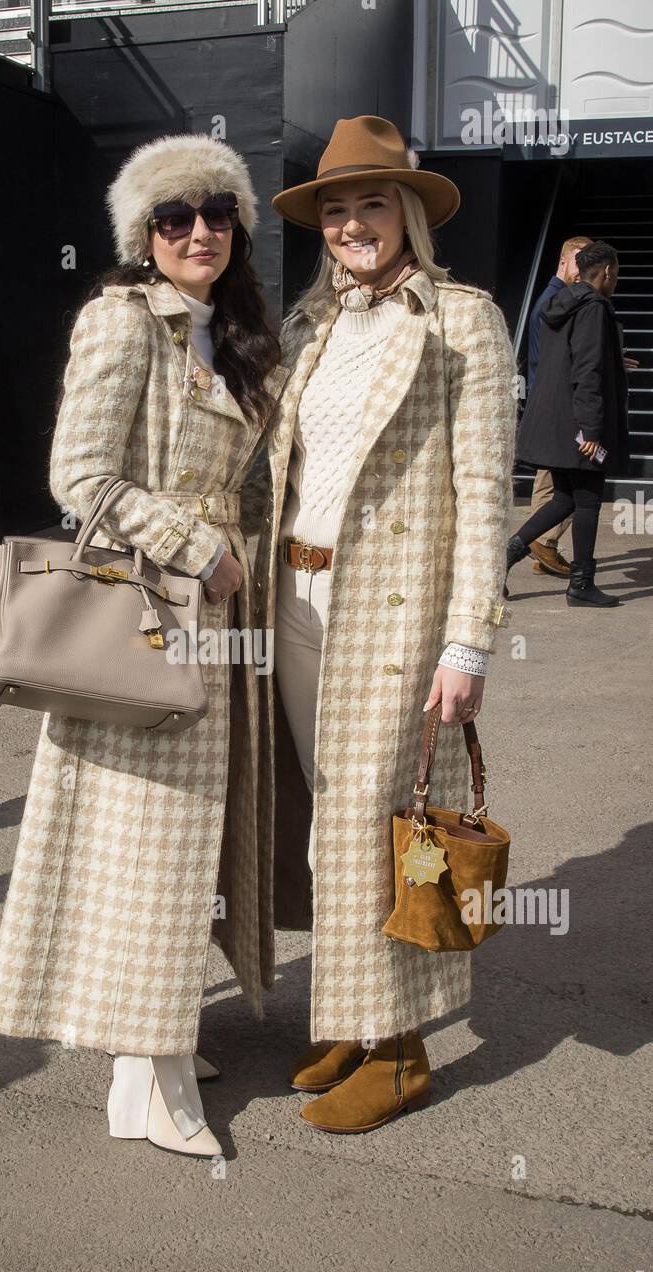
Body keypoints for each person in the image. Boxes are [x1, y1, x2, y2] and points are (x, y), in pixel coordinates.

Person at [0, 135, 288, 1159]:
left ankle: (150, 1044)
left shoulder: (231, 334)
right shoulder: (122, 321)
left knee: (179, 846)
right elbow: (79, 476)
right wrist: (199, 546)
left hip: (219, 624)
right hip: (151, 621)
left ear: (238, 228)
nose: (197, 231)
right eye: (172, 217)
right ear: (141, 236)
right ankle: (151, 1079)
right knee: (150, 849)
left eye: (215, 212)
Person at [251, 115, 516, 1133]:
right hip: (295, 604)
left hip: (392, 619)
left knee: (378, 826)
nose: (351, 223)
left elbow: (483, 491)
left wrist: (466, 640)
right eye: (334, 208)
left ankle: (401, 1049)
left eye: (370, 203)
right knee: (331, 827)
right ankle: (354, 1017)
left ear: (405, 212)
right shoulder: (309, 330)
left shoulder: (462, 319)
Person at [506, 240, 628, 608]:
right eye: (616, 273)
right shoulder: (593, 309)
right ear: (606, 272)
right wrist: (591, 429)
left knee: (564, 498)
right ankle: (581, 584)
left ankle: (504, 558)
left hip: (554, 421)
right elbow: (586, 371)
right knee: (588, 500)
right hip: (578, 424)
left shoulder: (560, 305)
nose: (616, 280)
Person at [520, 236, 592, 581]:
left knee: (553, 484)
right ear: (564, 261)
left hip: (548, 402)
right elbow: (561, 359)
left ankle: (538, 544)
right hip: (555, 405)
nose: (585, 268)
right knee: (560, 489)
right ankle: (539, 542)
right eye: (580, 260)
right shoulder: (555, 302)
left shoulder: (556, 300)